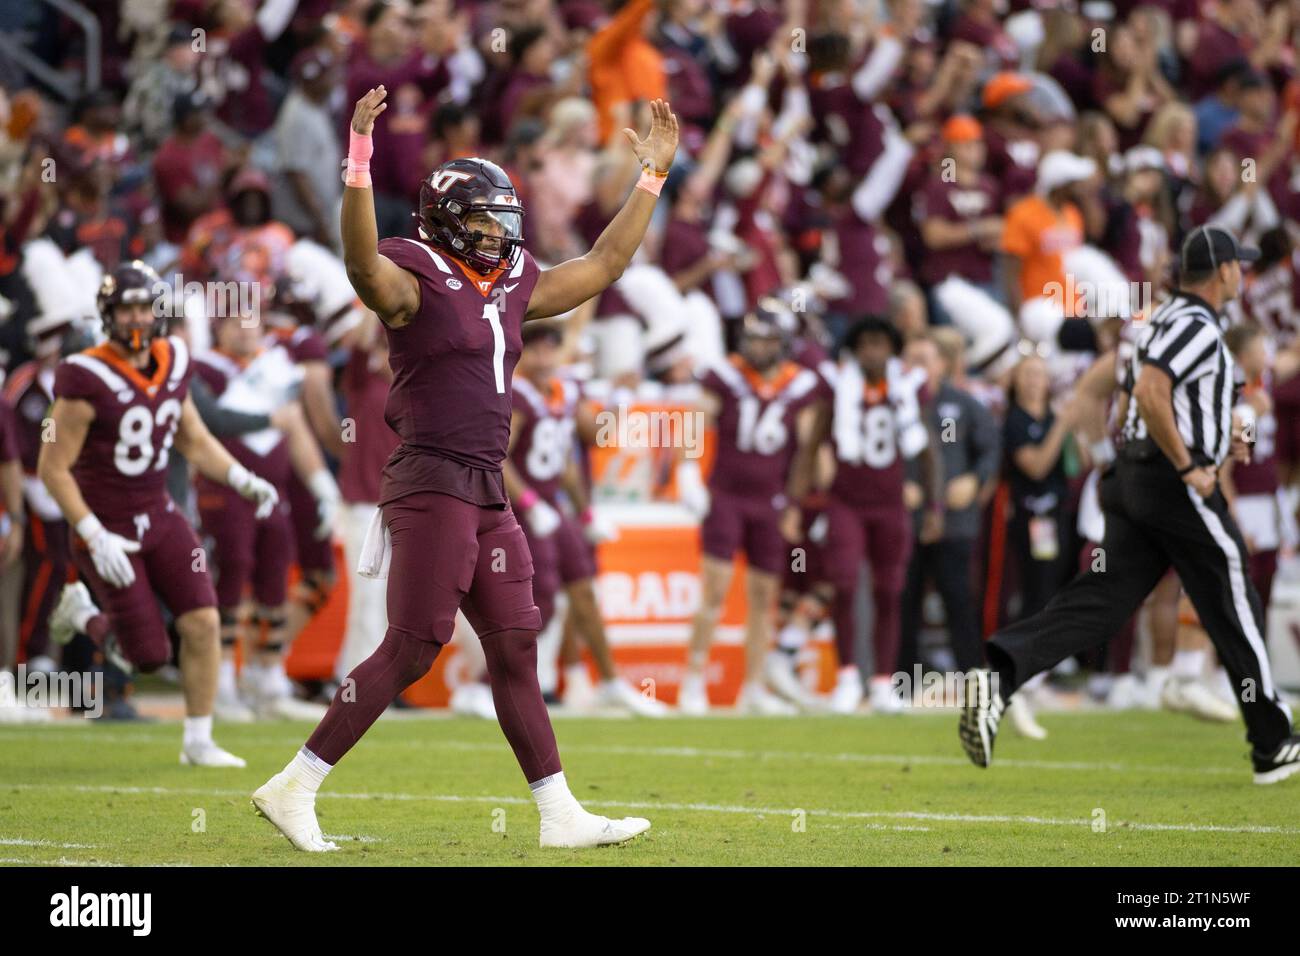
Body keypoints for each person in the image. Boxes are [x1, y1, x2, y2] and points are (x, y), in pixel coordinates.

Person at [251, 89, 679, 852]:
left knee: (515, 642)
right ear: (448, 223)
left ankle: (559, 814)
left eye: (504, 220)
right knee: (415, 644)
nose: (499, 234)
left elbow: (603, 263)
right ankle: (295, 784)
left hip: (486, 483)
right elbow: (359, 264)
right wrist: (358, 160)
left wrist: (648, 180)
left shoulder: (512, 283)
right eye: (485, 220)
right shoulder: (410, 277)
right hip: (430, 477)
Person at [960, 225, 1300, 784]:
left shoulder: (1159, 319)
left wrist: (1218, 436)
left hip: (1133, 475)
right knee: (1232, 586)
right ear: (1222, 271)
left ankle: (998, 677)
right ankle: (1270, 740)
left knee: (1103, 601)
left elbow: (1134, 390)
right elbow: (1149, 390)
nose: (1243, 271)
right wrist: (1191, 463)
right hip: (1170, 479)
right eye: (1238, 263)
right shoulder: (1192, 322)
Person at [35, 260, 282, 766]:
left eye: (144, 308)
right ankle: (81, 614)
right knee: (147, 657)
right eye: (126, 309)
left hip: (160, 512)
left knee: (204, 620)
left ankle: (199, 740)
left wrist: (241, 478)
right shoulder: (85, 377)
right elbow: (52, 468)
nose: (137, 319)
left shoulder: (173, 360)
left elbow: (192, 437)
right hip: (107, 525)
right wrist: (92, 534)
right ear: (108, 316)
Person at [676, 300, 823, 715]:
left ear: (785, 343)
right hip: (726, 497)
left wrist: (798, 502)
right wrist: (688, 472)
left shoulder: (801, 385)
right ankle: (692, 680)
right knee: (715, 591)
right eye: (753, 339)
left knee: (764, 598)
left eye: (767, 340)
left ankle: (754, 686)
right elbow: (694, 421)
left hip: (771, 502)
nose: (758, 348)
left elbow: (807, 452)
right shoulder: (725, 376)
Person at [798, 316, 942, 714]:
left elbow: (928, 448)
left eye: (880, 344)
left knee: (890, 591)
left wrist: (934, 504)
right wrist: (795, 502)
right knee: (843, 582)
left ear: (892, 349)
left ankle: (881, 681)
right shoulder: (838, 386)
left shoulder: (908, 387)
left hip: (890, 502)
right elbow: (811, 445)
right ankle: (847, 675)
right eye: (865, 344)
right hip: (846, 500)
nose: (872, 353)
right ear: (854, 349)